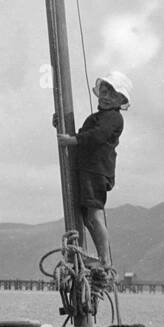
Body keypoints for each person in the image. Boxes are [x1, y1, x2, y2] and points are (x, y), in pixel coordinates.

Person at [56, 71, 131, 269]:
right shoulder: (98, 117)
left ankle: (105, 260)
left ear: (120, 99)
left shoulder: (113, 118)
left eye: (112, 94)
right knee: (87, 216)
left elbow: (97, 136)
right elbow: (86, 134)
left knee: (94, 215)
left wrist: (72, 140)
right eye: (104, 91)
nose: (105, 96)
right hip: (88, 169)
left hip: (96, 171)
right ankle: (98, 257)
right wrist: (61, 125)